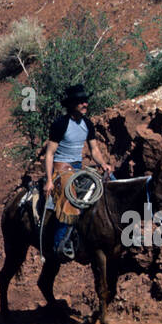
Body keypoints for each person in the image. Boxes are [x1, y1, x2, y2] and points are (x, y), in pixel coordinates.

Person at [43, 84, 114, 256]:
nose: (85, 105)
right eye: (81, 102)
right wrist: (50, 180)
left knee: (111, 181)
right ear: (72, 104)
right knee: (69, 199)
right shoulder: (60, 124)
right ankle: (61, 243)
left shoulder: (88, 124)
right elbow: (50, 154)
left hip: (77, 167)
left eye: (86, 101)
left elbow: (94, 150)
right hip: (62, 168)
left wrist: (103, 164)